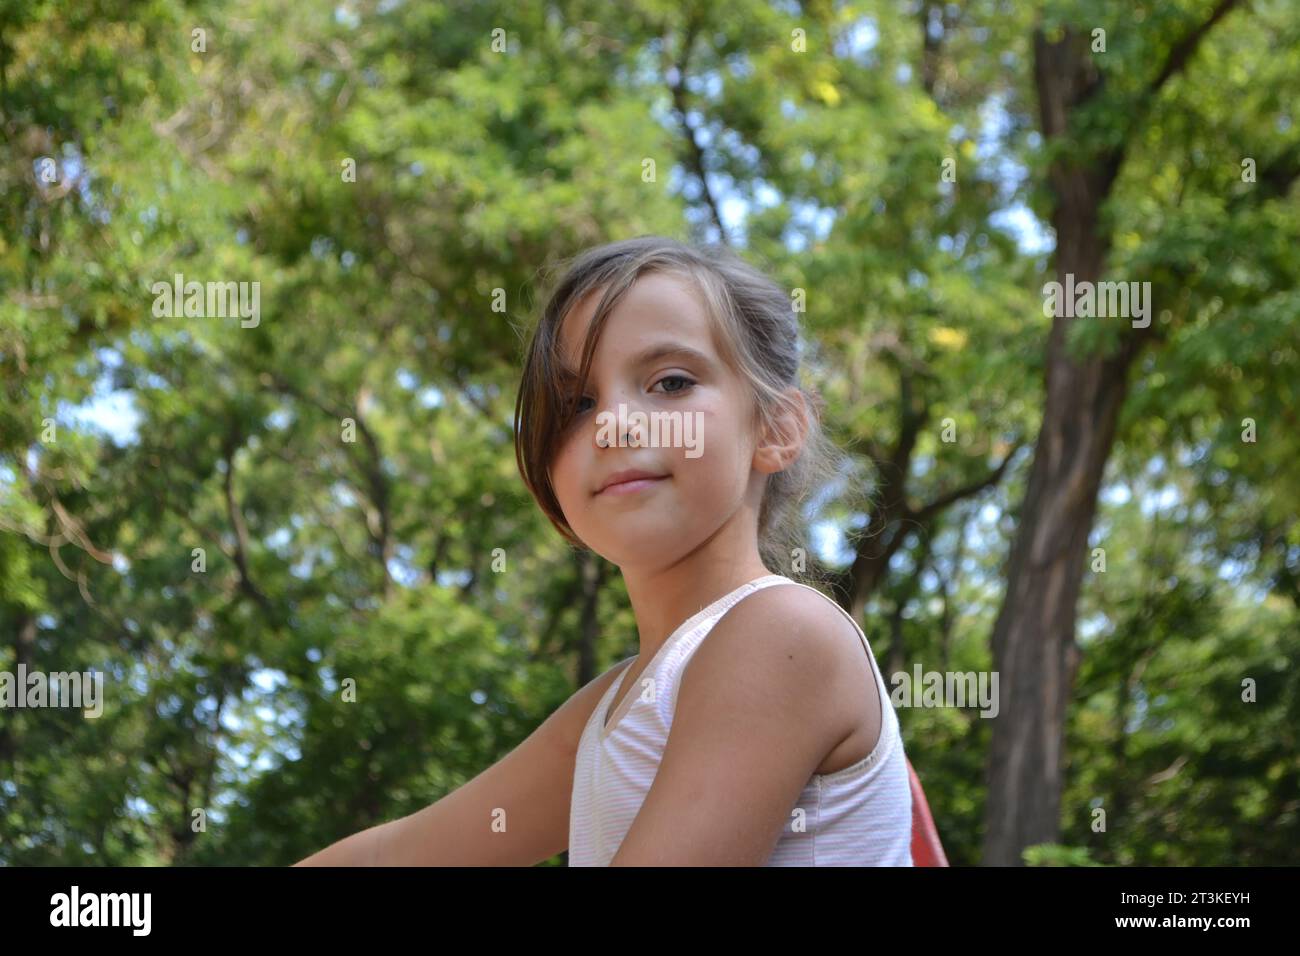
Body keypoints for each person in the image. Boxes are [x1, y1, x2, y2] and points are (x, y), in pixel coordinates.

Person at [296, 236, 912, 866]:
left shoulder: (781, 633)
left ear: (776, 428)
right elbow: (406, 853)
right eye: (577, 403)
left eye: (671, 383)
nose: (614, 422)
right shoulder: (613, 705)